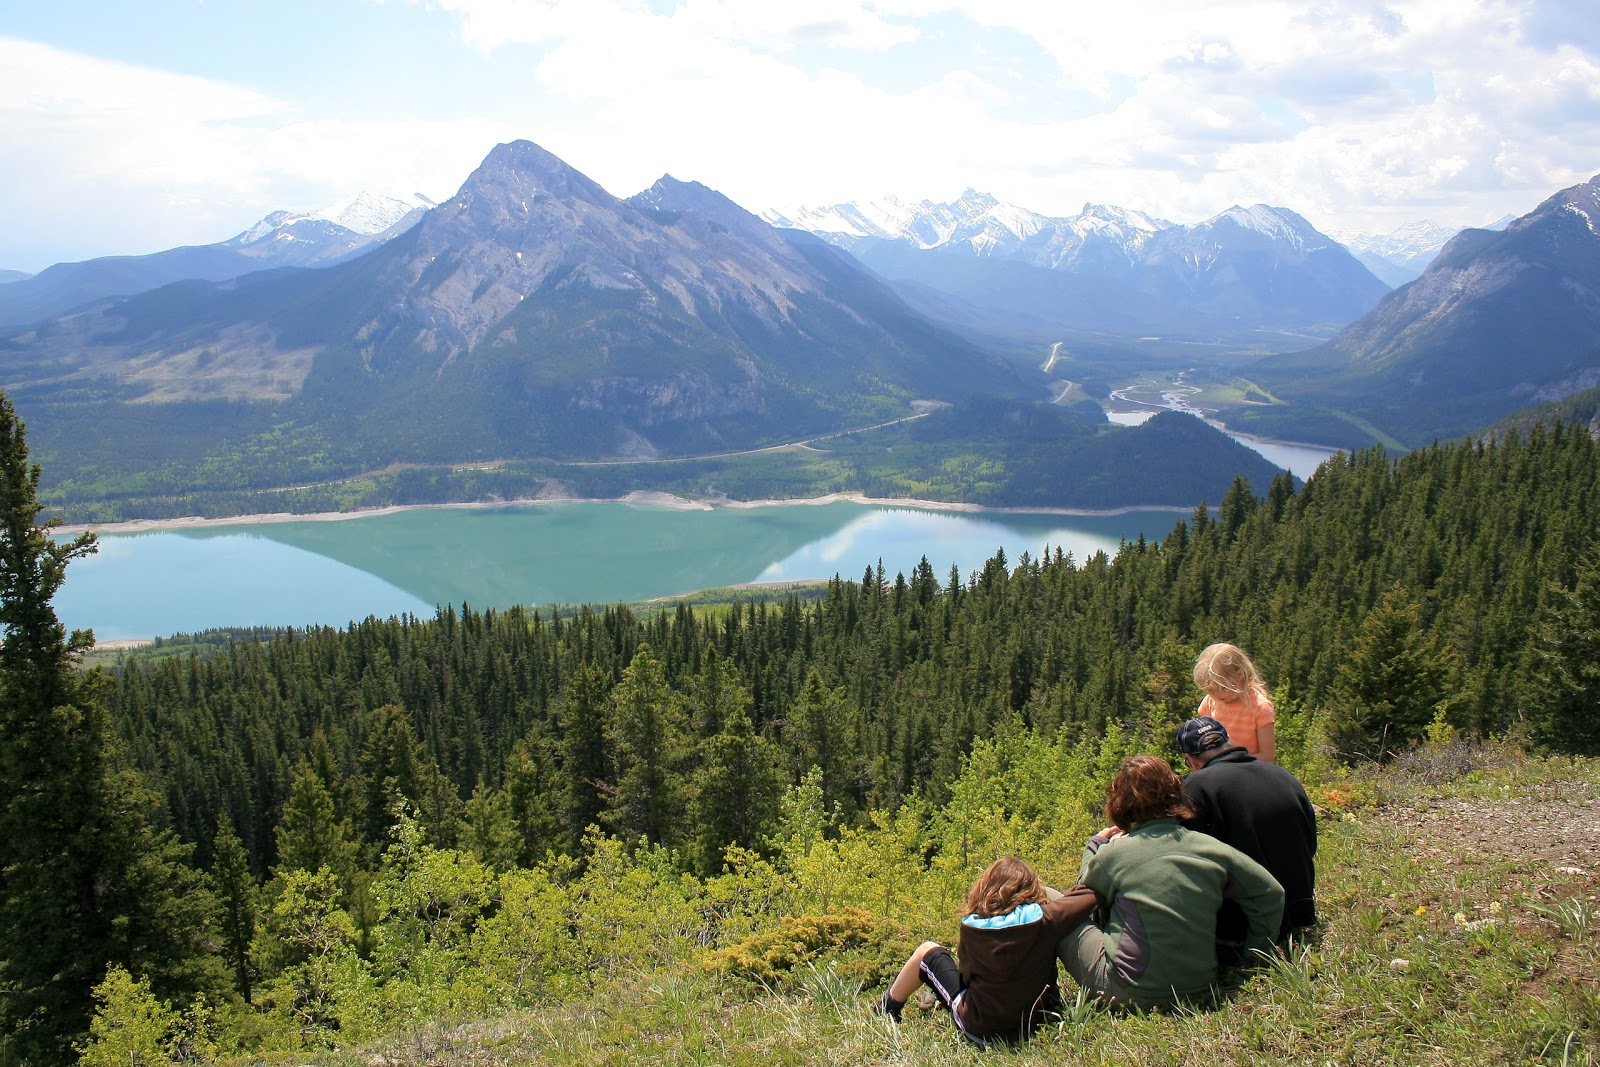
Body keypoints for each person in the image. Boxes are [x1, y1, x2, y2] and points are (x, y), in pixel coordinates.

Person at [1058, 755, 1284, 1009]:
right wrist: (1254, 956)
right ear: (1175, 794)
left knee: (1051, 900)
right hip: (1200, 987)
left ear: (1120, 803)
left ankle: (1039, 1002)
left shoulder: (1115, 854)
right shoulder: (1210, 848)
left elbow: (1082, 899)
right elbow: (1270, 893)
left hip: (1128, 992)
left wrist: (1094, 846)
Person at [878, 856, 1097, 1043]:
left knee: (927, 951)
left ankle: (888, 1005)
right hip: (1036, 1022)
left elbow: (965, 978)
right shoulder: (1048, 919)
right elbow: (1089, 895)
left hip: (980, 1029)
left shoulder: (973, 928)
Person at [1178, 716, 1318, 943]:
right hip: (1300, 909)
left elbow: (1189, 863)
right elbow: (1310, 842)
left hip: (1247, 927)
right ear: (1229, 742)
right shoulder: (1281, 775)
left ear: (1191, 761)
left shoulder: (1196, 787)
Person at [1193, 642, 1277, 760]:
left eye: (1223, 687)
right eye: (1211, 690)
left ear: (1240, 675)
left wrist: (1231, 760)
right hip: (1219, 768)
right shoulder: (1212, 701)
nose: (1218, 695)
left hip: (1249, 771)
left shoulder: (1260, 708)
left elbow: (1267, 756)